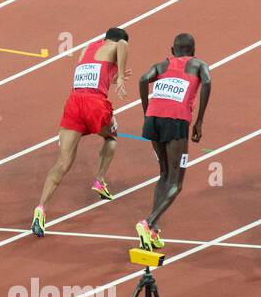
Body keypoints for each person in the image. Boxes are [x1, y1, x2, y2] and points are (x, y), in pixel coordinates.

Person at [32, 27, 131, 237]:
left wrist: (111, 77)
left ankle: (40, 208)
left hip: (74, 103)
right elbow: (122, 46)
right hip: (94, 103)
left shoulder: (87, 48)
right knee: (112, 136)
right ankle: (99, 180)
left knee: (63, 162)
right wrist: (121, 76)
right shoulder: (117, 44)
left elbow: (91, 73)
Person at [135, 33, 212, 250]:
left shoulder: (161, 65)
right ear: (193, 50)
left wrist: (145, 111)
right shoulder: (198, 64)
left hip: (153, 118)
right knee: (176, 183)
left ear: (172, 50)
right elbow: (207, 82)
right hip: (176, 121)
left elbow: (142, 79)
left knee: (164, 174)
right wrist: (199, 121)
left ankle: (154, 229)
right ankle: (148, 223)